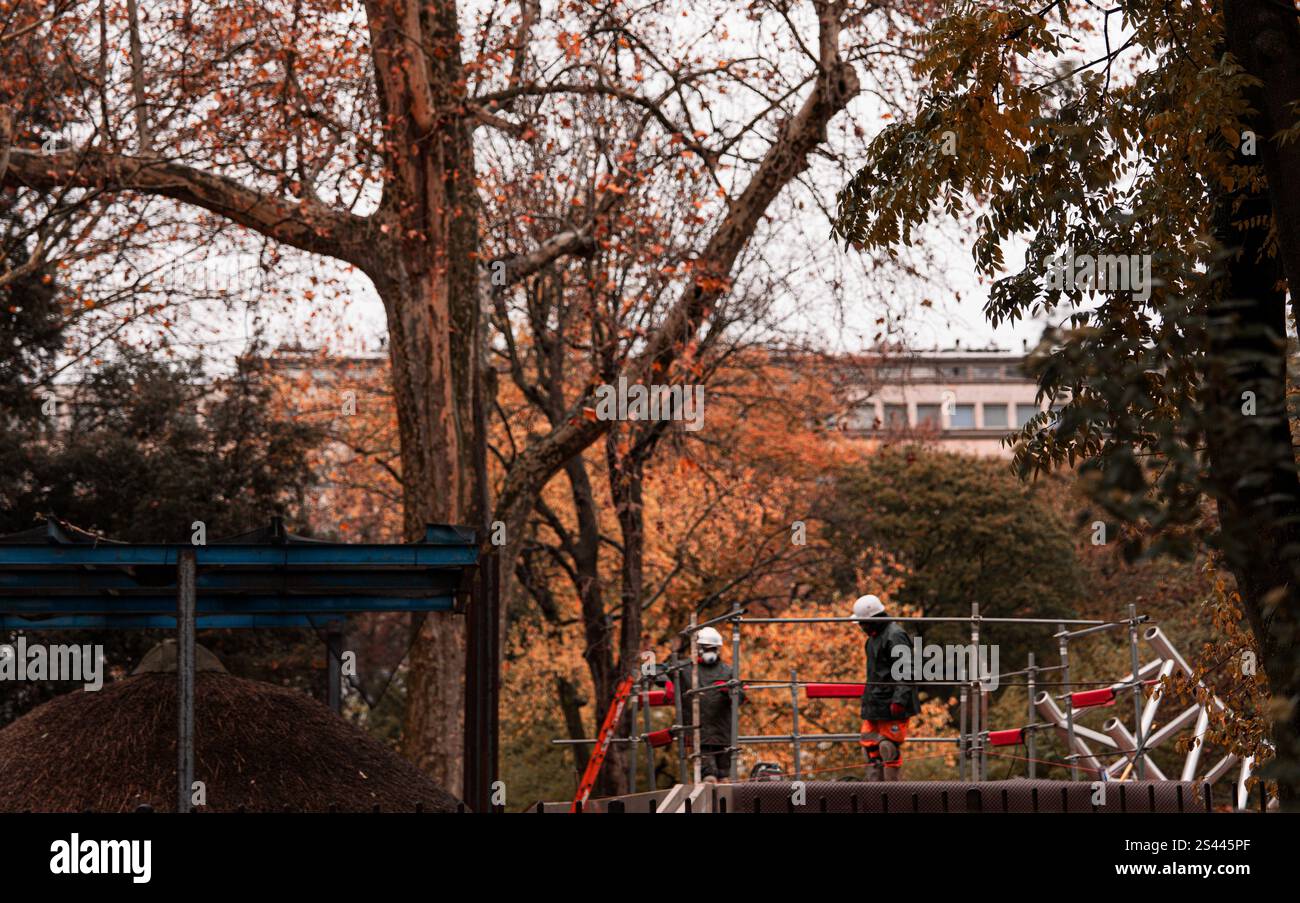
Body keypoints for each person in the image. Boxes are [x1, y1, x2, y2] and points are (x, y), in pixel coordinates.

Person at [852, 594, 920, 781]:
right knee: (870, 747)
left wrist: (899, 700)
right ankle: (875, 796)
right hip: (875, 703)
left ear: (871, 620)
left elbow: (907, 670)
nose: (860, 627)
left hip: (891, 703)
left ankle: (892, 795)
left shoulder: (895, 635)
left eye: (862, 623)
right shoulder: (873, 639)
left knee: (888, 748)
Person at [678, 626, 744, 782]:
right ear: (699, 649)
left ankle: (726, 806)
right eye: (708, 648)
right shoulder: (685, 669)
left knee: (725, 779)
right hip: (701, 734)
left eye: (714, 648)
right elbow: (662, 673)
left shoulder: (728, 671)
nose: (711, 652)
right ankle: (710, 805)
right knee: (709, 777)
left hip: (724, 734)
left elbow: (740, 698)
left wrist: (730, 691)